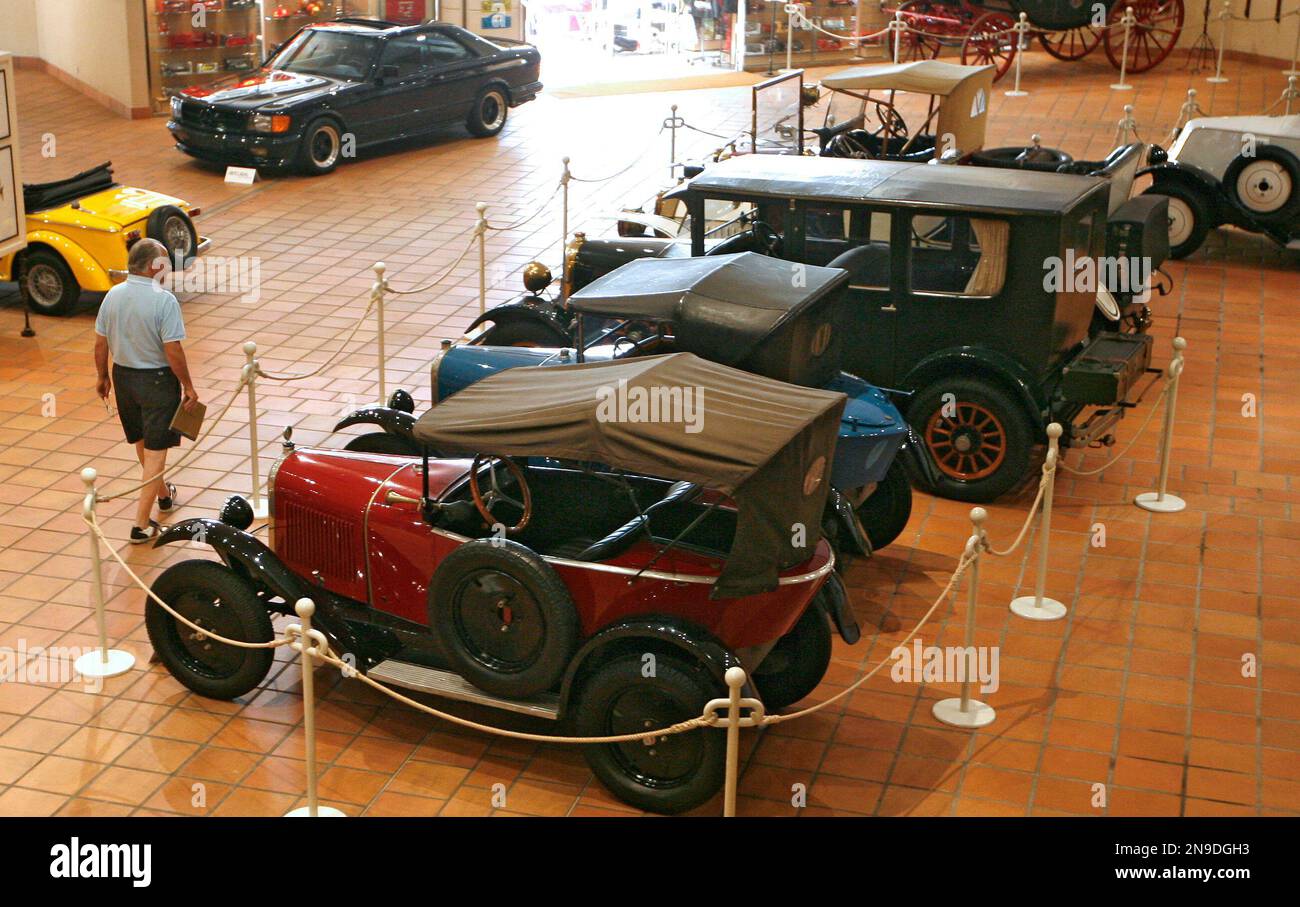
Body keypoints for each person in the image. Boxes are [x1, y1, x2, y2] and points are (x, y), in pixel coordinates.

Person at [93, 239, 200, 543]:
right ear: (154, 266)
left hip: (123, 378)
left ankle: (164, 495)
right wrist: (189, 387)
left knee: (142, 442)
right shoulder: (163, 301)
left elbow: (100, 343)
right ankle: (140, 525)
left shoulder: (112, 295)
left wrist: (102, 377)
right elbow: (173, 350)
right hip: (156, 382)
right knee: (155, 452)